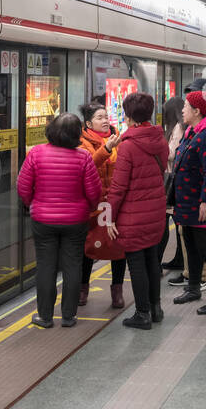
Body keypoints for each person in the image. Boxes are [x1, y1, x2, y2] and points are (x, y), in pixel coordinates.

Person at [17, 111, 102, 329]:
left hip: (43, 221)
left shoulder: (36, 154)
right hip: (76, 221)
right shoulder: (83, 158)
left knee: (46, 266)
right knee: (73, 265)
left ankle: (45, 317)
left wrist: (32, 204)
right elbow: (95, 193)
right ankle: (68, 316)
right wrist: (88, 209)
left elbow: (23, 187)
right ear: (77, 135)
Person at [105, 92, 169, 330]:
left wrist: (109, 216)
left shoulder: (128, 146)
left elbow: (118, 187)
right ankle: (155, 308)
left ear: (128, 115)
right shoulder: (159, 140)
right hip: (155, 212)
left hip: (133, 215)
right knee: (153, 259)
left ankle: (142, 314)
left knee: (136, 262)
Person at [171, 91, 206, 314]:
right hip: (187, 202)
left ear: (196, 111)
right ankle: (193, 287)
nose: (182, 110)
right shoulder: (192, 132)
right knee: (191, 245)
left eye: (186, 107)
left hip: (201, 203)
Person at [78, 103, 125, 308]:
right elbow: (87, 165)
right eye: (99, 117)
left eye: (106, 116)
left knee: (117, 247)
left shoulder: (118, 139)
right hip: (92, 204)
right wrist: (106, 149)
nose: (105, 120)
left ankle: (117, 290)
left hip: (114, 202)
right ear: (88, 123)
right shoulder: (81, 142)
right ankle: (82, 288)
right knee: (88, 248)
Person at [158, 95, 187, 270]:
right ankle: (179, 259)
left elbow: (171, 153)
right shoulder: (182, 126)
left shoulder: (178, 128)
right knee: (176, 223)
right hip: (175, 180)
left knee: (165, 222)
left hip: (171, 180)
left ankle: (159, 262)